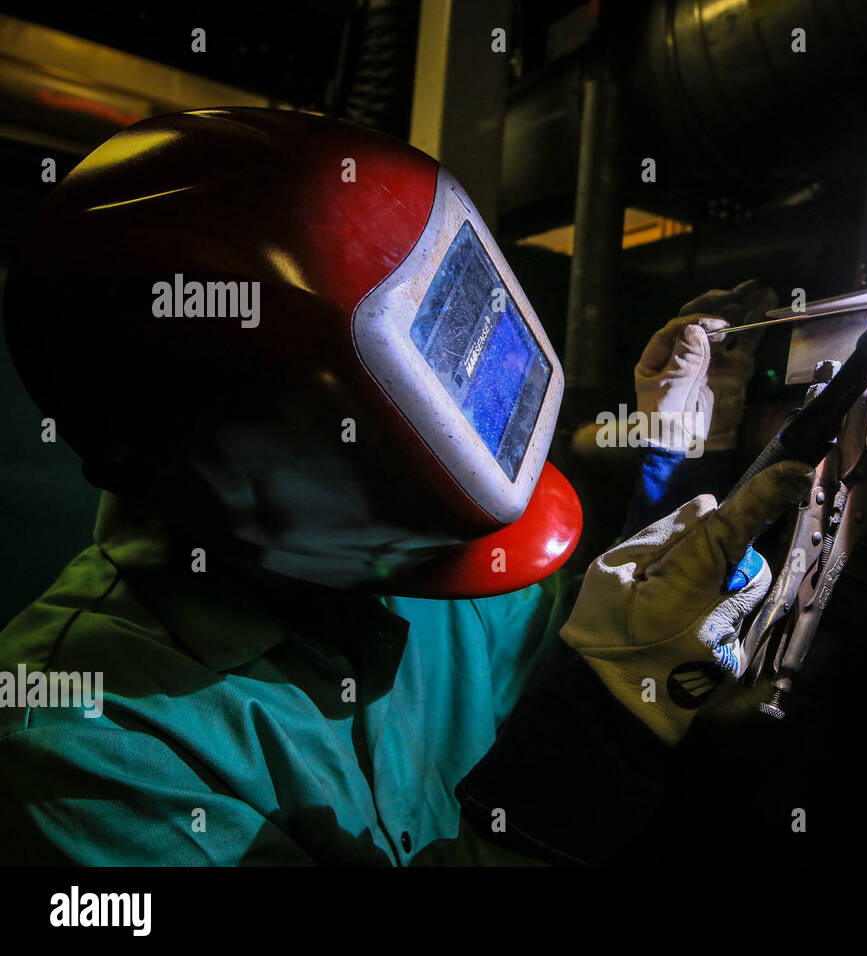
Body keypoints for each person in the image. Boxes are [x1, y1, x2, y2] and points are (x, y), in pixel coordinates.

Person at [0, 108, 809, 865]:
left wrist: (675, 453)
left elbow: (583, 650)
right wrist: (600, 732)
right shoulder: (84, 743)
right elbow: (586, 704)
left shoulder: (430, 562)